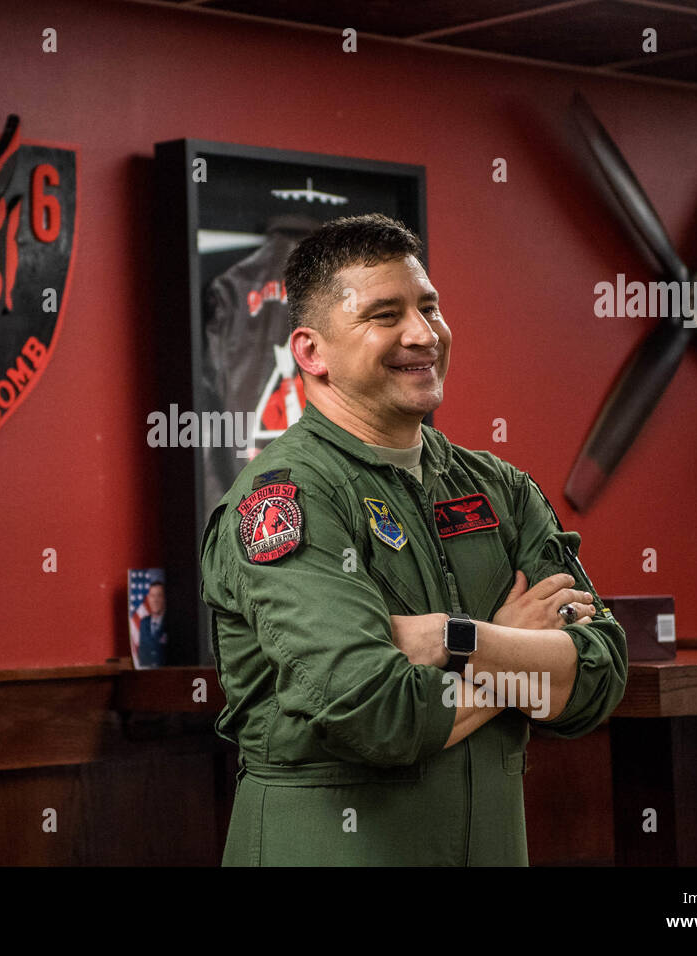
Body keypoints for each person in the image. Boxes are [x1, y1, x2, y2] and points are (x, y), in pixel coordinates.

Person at [200, 213, 627, 865]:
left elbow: (599, 675)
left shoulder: (499, 487)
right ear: (312, 352)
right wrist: (515, 650)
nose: (423, 334)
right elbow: (375, 710)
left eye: (429, 307)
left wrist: (453, 639)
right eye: (385, 315)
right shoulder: (287, 499)